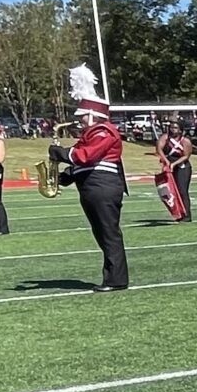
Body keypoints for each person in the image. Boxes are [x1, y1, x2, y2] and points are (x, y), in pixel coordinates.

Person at [56, 64, 128, 290]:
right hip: (92, 187)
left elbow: (85, 156)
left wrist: (60, 153)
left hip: (103, 187)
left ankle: (115, 280)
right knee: (102, 233)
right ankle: (113, 278)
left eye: (83, 116)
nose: (79, 121)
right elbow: (83, 161)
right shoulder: (90, 134)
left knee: (109, 234)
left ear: (92, 115)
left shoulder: (104, 131)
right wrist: (65, 177)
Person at [157, 121, 194, 220]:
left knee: (182, 191)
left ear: (181, 130)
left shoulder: (185, 141)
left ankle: (186, 215)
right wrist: (166, 161)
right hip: (170, 166)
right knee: (172, 192)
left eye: (176, 128)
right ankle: (178, 213)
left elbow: (186, 156)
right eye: (172, 127)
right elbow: (159, 149)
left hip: (182, 167)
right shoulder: (165, 138)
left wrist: (174, 164)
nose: (173, 129)